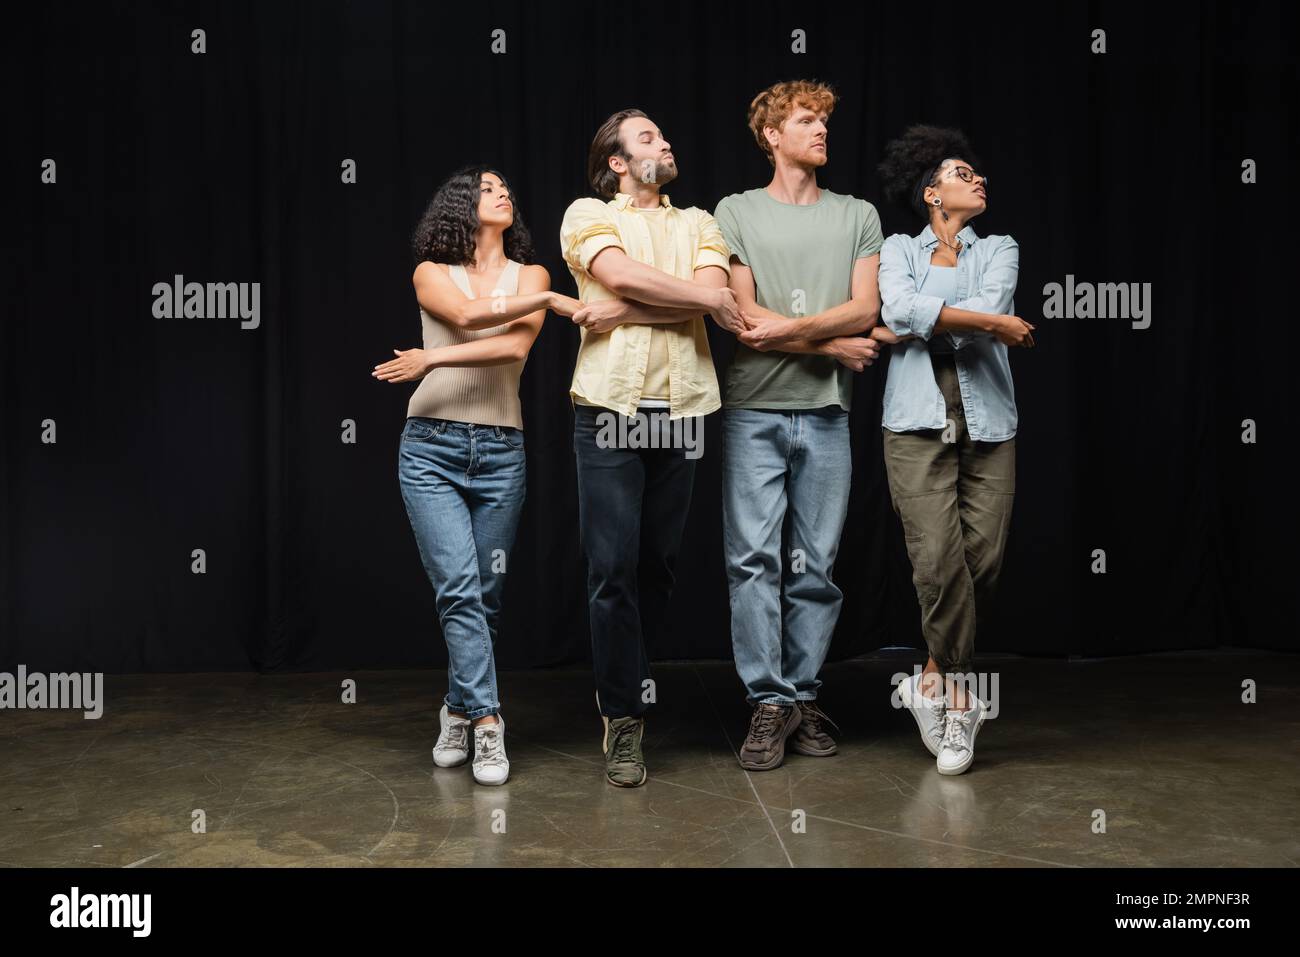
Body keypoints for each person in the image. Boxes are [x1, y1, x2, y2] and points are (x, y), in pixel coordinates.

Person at [374, 166, 580, 785]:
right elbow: (467, 316)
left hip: (500, 451)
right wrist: (540, 305)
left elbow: (512, 348)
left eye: (507, 188)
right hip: (430, 448)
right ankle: (488, 723)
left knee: (485, 599)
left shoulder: (534, 277)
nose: (504, 194)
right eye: (489, 189)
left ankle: (456, 709)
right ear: (461, 205)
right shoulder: (431, 273)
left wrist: (431, 356)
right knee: (460, 588)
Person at [559, 109, 743, 787]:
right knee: (611, 568)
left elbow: (718, 299)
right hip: (611, 406)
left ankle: (626, 682)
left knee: (657, 566)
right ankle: (624, 715)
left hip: (684, 409)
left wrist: (626, 307)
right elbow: (626, 276)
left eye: (666, 134)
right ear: (616, 161)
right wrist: (685, 299)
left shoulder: (700, 222)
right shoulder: (586, 212)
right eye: (646, 137)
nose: (664, 142)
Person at [712, 79, 883, 771]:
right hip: (753, 409)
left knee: (816, 565)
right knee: (751, 561)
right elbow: (743, 322)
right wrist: (830, 342)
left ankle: (804, 693)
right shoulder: (735, 211)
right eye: (805, 120)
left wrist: (808, 332)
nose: (821, 130)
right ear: (771, 135)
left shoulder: (859, 214)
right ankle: (768, 700)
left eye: (823, 121)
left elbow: (865, 309)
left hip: (829, 415)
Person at [873, 126, 1035, 775]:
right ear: (931, 190)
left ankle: (931, 679)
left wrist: (938, 318)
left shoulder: (1000, 247)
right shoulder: (895, 248)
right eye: (962, 173)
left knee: (983, 562)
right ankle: (960, 699)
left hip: (989, 421)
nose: (979, 180)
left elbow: (934, 315)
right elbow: (898, 306)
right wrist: (992, 325)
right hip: (914, 421)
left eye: (978, 173)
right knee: (938, 562)